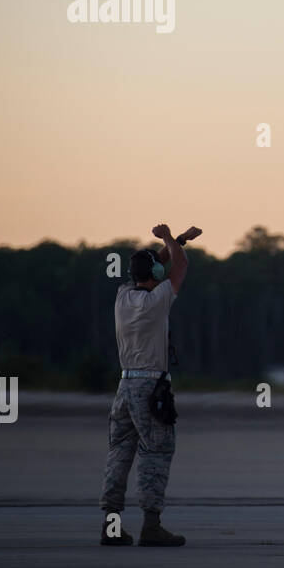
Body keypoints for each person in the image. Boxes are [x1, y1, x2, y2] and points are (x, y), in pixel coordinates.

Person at [99, 223, 199, 547]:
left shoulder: (123, 296)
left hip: (124, 387)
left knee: (119, 455)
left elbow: (154, 262)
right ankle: (151, 526)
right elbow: (180, 265)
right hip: (149, 386)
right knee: (156, 452)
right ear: (156, 272)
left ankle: (111, 527)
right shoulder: (158, 299)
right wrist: (171, 239)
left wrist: (177, 241)